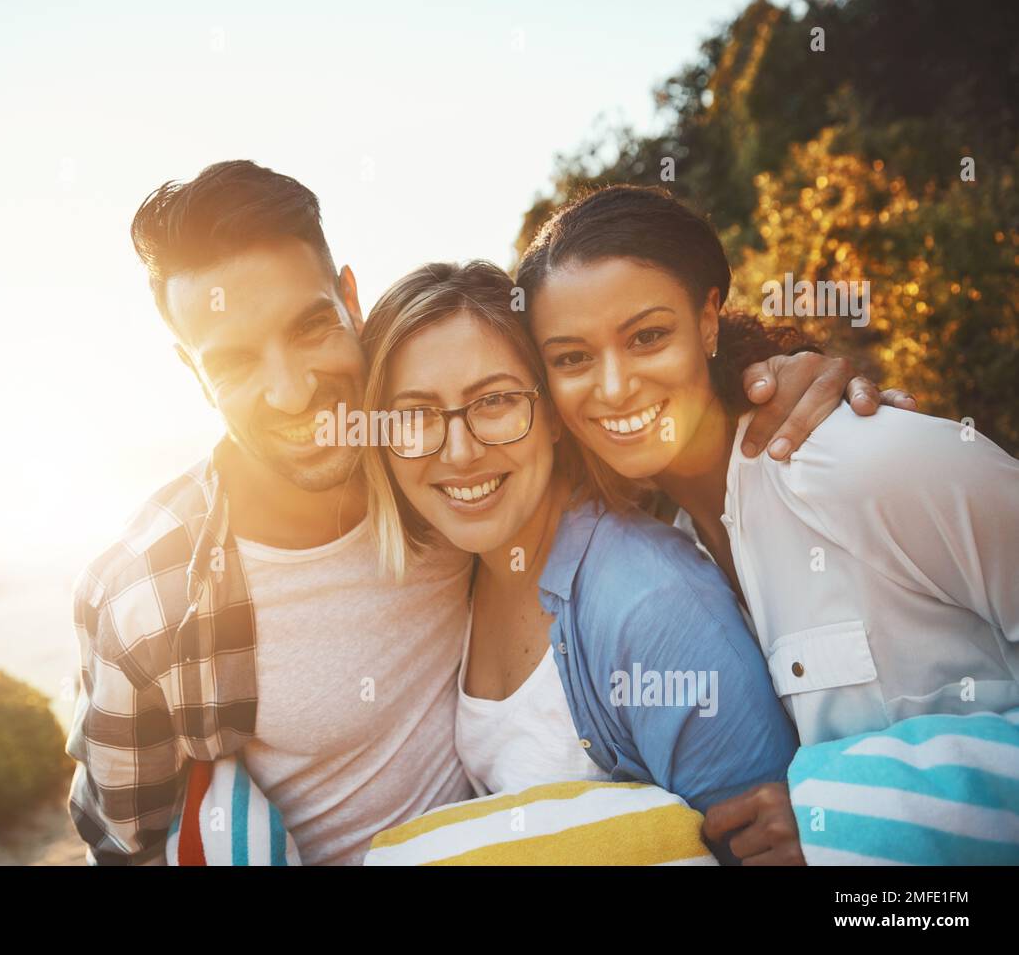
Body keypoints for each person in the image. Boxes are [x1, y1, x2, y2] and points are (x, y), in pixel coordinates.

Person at [66, 160, 904, 865]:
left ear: (350, 298)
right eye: (236, 360)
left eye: (311, 326)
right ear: (188, 367)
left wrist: (780, 380)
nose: (290, 389)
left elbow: (626, 403)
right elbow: (128, 841)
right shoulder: (150, 595)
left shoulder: (440, 479)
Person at [517, 183, 1019, 864]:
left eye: (648, 336)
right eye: (573, 357)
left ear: (708, 320)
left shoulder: (865, 463)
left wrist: (847, 812)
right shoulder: (669, 551)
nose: (612, 387)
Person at [360, 261, 797, 843]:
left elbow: (772, 849)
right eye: (415, 416)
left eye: (493, 401)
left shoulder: (653, 607)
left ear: (555, 416)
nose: (459, 452)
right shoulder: (458, 569)